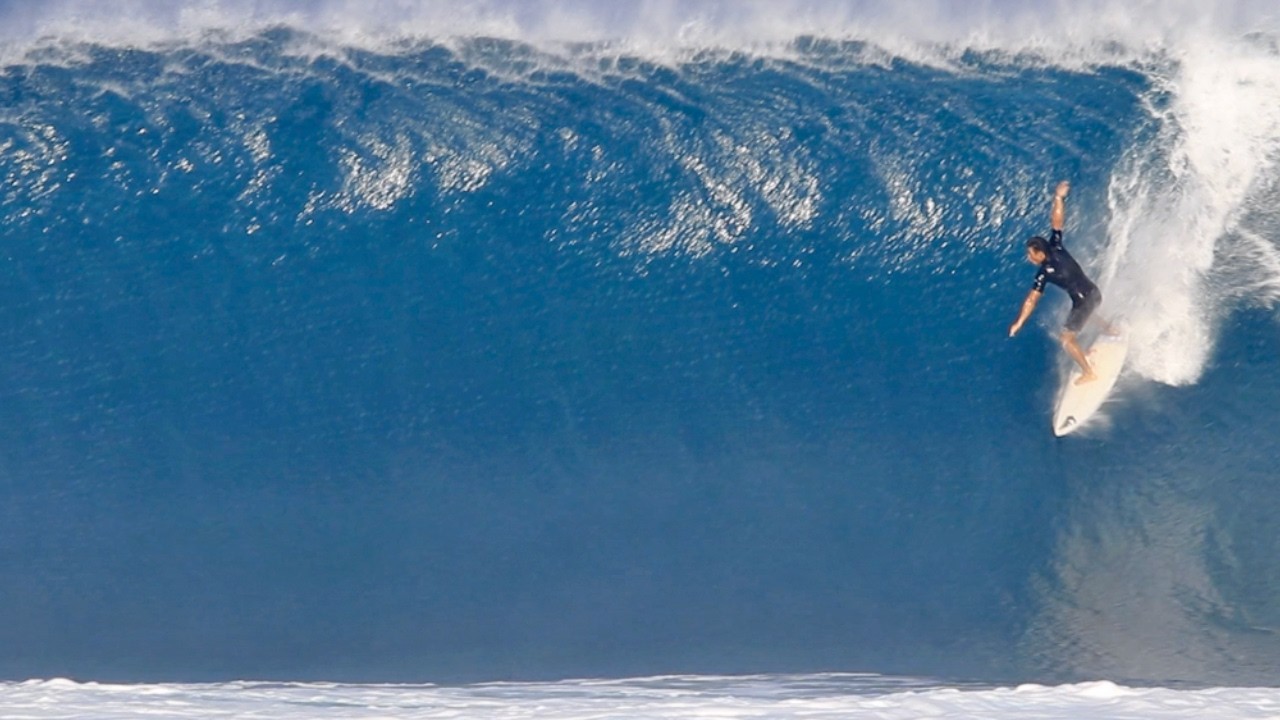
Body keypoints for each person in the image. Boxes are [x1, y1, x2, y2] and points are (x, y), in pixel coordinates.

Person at [1007, 180, 1103, 384]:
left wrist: (1019, 322)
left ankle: (1089, 373)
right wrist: (1058, 198)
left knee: (1066, 340)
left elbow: (1031, 301)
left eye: (1031, 255)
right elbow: (1057, 221)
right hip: (1095, 293)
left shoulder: (1044, 273)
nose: (1029, 258)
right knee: (1086, 311)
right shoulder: (1057, 247)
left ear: (1040, 254)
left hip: (1083, 301)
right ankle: (1110, 328)